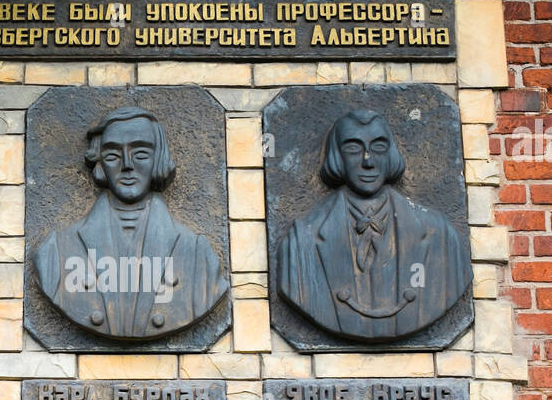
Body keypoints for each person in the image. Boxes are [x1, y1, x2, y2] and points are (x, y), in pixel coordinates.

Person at [33, 105, 228, 340]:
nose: (127, 165)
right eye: (113, 155)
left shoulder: (199, 257)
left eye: (141, 154)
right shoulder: (55, 253)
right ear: (99, 163)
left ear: (158, 159)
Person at [276, 109, 472, 340]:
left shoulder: (439, 235)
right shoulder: (301, 243)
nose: (367, 161)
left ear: (391, 155)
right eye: (353, 148)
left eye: (378, 147)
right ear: (336, 157)